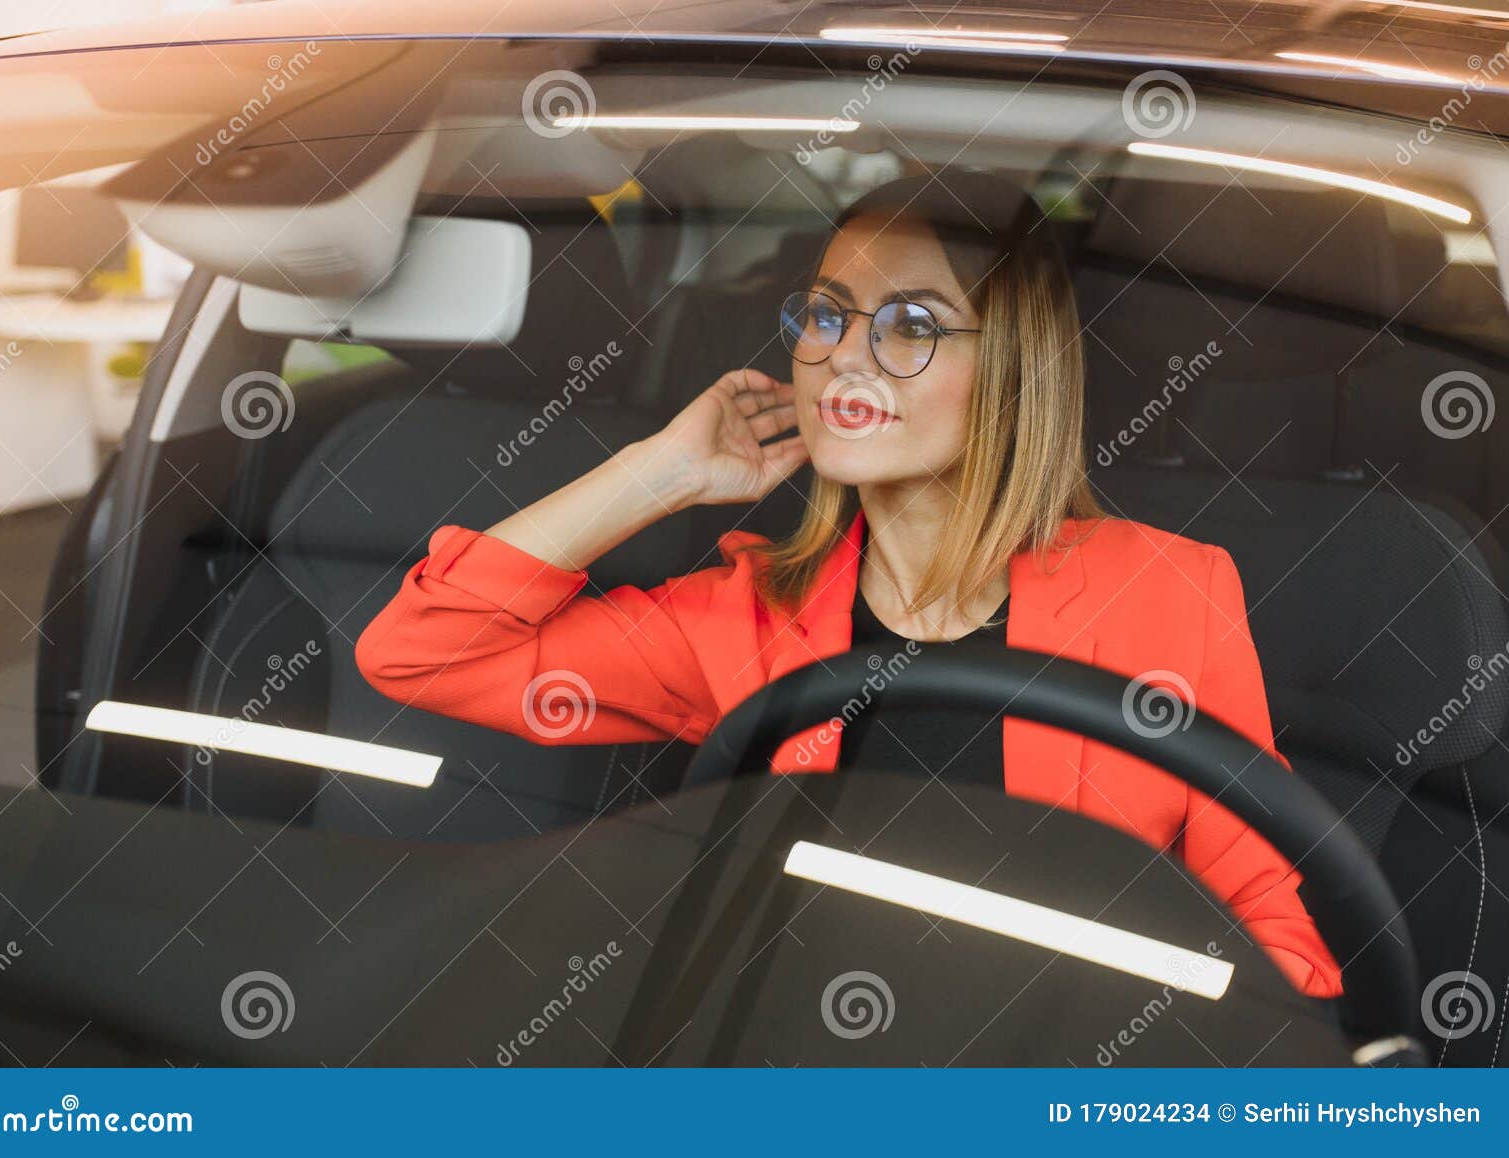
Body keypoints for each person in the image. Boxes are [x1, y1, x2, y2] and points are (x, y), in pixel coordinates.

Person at [356, 169, 1342, 998]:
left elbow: (1262, 913)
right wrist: (659, 471)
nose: (841, 359)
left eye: (911, 323)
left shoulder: (1170, 592)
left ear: (1011, 367)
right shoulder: (743, 615)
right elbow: (421, 651)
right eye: (825, 314)